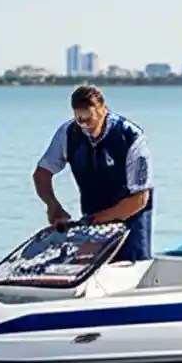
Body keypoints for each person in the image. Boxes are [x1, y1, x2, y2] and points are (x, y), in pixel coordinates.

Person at [33, 84, 154, 263]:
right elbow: (41, 174)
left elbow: (140, 199)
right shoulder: (68, 133)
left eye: (89, 119)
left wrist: (95, 220)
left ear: (103, 109)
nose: (85, 126)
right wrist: (53, 206)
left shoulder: (131, 137)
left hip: (131, 223)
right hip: (92, 222)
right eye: (79, 120)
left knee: (129, 268)